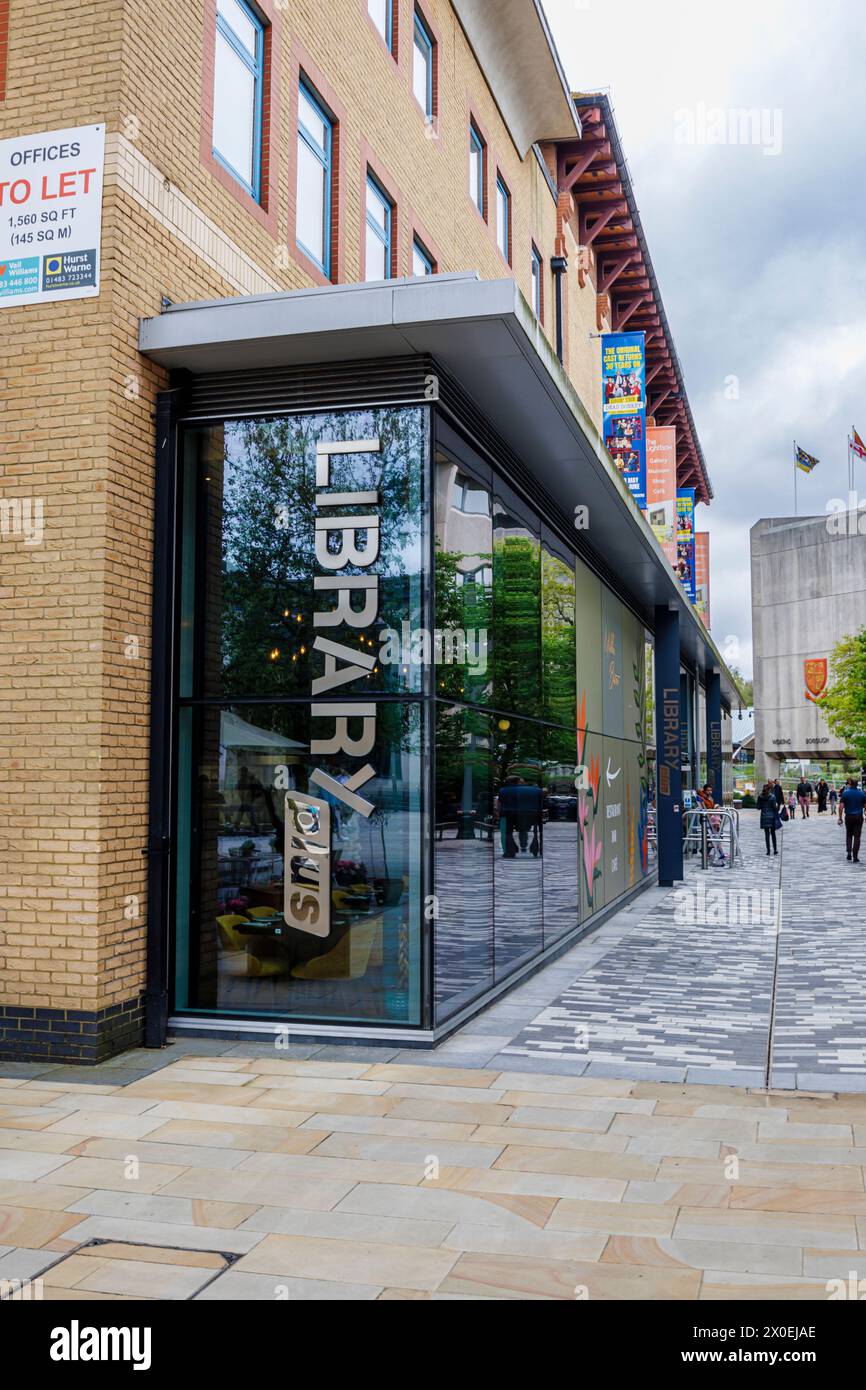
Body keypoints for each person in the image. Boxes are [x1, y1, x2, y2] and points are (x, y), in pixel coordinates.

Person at [838, 777, 866, 863]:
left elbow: (841, 807)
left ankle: (849, 852)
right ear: (857, 785)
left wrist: (840, 818)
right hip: (858, 816)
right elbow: (865, 806)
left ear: (850, 784)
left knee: (849, 835)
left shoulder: (845, 793)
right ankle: (855, 856)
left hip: (849, 816)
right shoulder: (862, 794)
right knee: (857, 837)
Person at [757, 781, 779, 855]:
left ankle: (768, 851)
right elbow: (774, 807)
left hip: (764, 816)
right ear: (769, 789)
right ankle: (775, 849)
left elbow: (758, 807)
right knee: (773, 833)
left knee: (766, 834)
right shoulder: (773, 797)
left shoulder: (760, 797)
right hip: (772, 816)